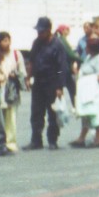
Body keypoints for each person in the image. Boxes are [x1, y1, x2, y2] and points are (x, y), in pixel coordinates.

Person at [25, 17, 69, 150]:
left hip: (53, 83)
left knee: (53, 113)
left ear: (49, 30)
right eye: (38, 31)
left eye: (42, 31)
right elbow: (31, 61)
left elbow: (62, 68)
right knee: (36, 113)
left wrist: (60, 87)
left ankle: (52, 140)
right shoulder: (36, 43)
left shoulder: (58, 45)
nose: (39, 34)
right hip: (39, 82)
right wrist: (28, 77)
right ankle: (36, 140)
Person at [71, 33, 99, 148]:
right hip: (86, 89)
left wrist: (87, 79)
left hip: (96, 91)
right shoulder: (89, 56)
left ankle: (98, 138)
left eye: (88, 47)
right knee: (86, 113)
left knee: (97, 113)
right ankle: (81, 137)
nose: (86, 49)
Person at [0, 32, 26, 153]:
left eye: (8, 40)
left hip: (11, 89)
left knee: (11, 117)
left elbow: (22, 71)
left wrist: (15, 75)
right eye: (3, 41)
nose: (6, 43)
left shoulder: (16, 54)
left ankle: (10, 142)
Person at [55, 25, 80, 105]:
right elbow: (70, 54)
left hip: (66, 67)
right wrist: (83, 60)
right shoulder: (62, 40)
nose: (69, 31)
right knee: (71, 88)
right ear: (62, 31)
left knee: (68, 87)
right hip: (65, 68)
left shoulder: (62, 39)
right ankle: (74, 104)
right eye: (67, 29)